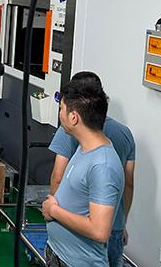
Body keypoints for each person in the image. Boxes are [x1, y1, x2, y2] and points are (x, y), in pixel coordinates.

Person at [48, 72, 136, 266]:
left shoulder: (103, 165)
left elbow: (99, 231)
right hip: (62, 255)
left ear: (73, 117)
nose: (59, 114)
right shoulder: (84, 148)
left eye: (61, 108)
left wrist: (53, 210)